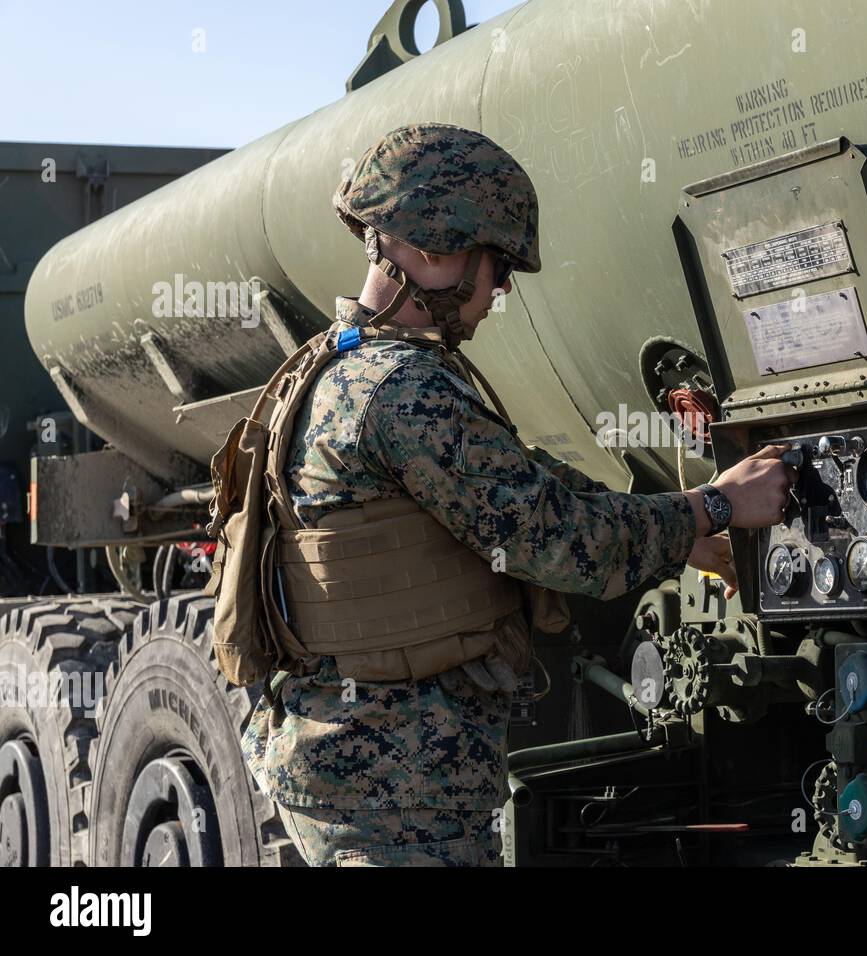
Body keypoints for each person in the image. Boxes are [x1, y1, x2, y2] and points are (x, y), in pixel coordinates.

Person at [240, 123, 793, 866]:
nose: (499, 290)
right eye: (495, 265)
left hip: (354, 764)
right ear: (435, 250)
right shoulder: (405, 394)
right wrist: (716, 505)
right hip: (398, 787)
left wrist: (678, 536)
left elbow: (522, 476)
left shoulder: (332, 366)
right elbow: (554, 538)